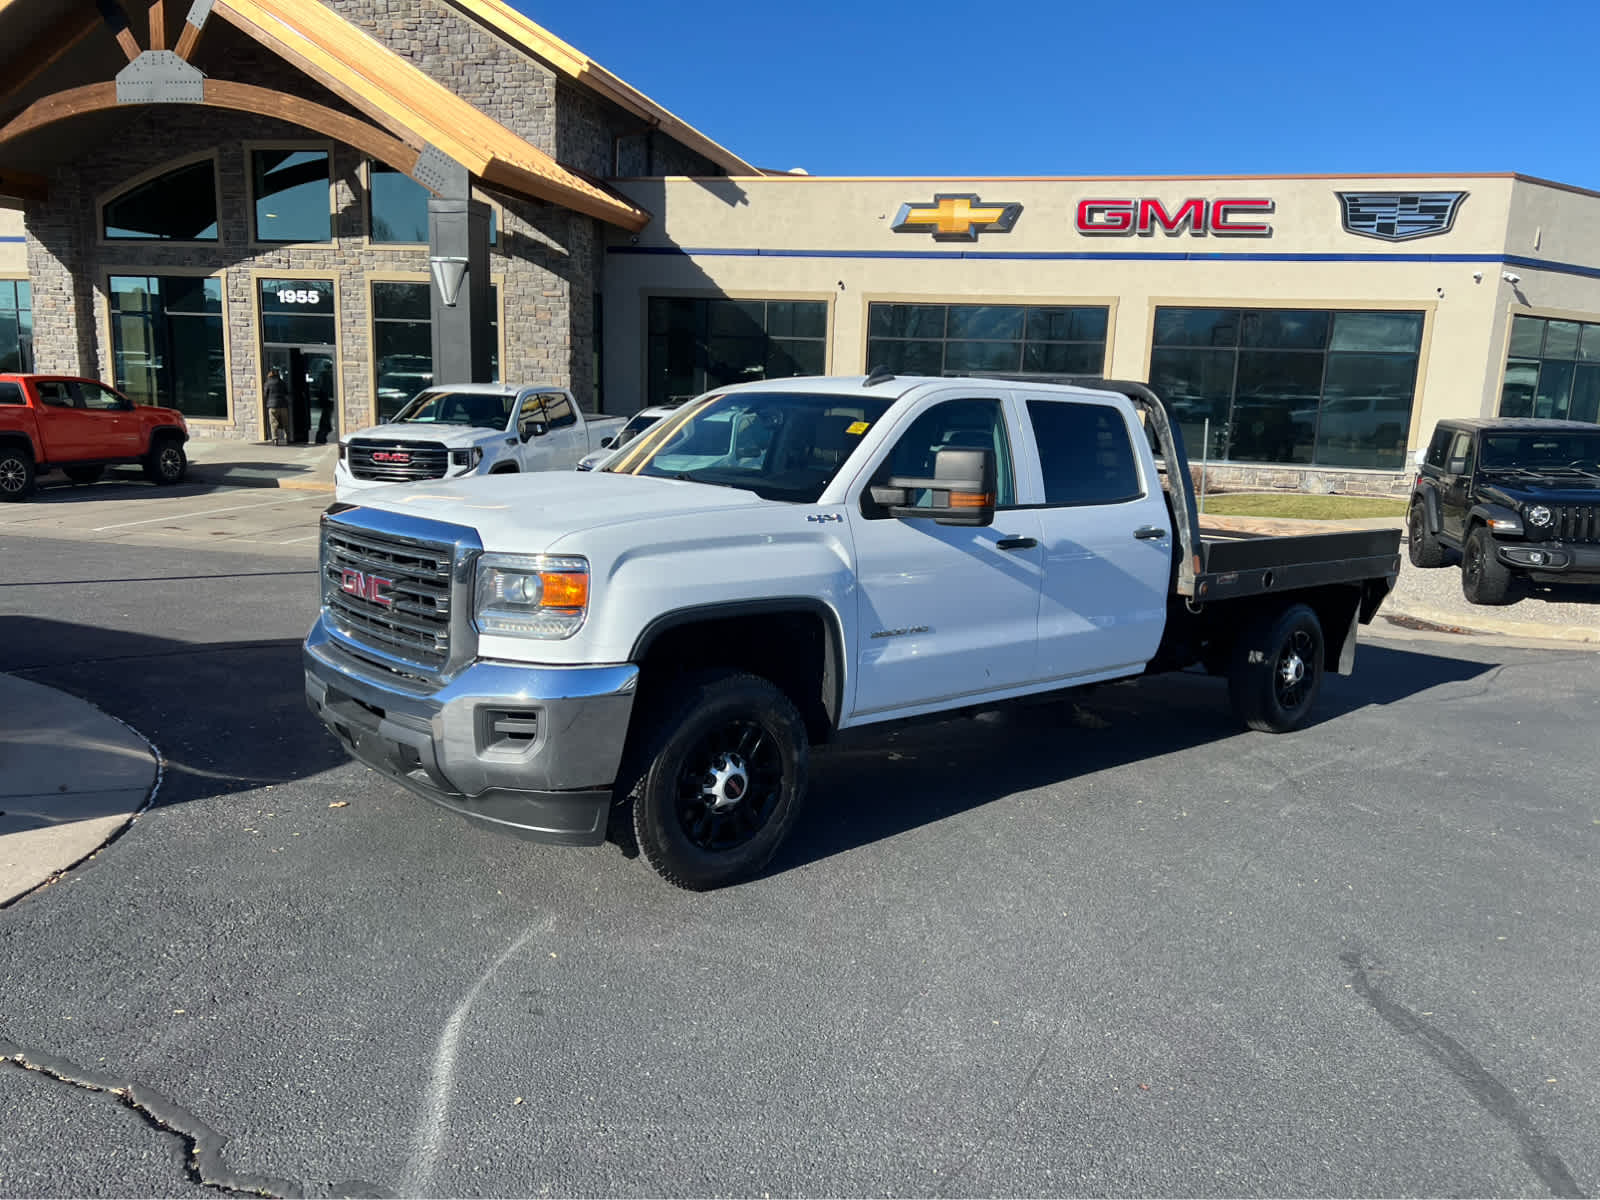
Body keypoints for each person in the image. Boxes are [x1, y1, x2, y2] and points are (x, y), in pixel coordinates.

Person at [264, 367, 289, 445]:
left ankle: (275, 439)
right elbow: (286, 393)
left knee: (273, 423)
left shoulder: (267, 383)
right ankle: (287, 437)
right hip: (283, 405)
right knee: (285, 423)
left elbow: (265, 394)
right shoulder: (282, 382)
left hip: (272, 406)